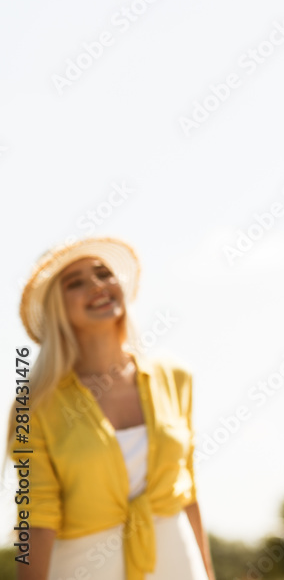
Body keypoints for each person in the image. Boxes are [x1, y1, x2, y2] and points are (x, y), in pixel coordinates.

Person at [8, 237, 213, 580]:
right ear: (57, 308)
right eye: (75, 283)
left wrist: (207, 572)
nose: (97, 286)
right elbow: (34, 517)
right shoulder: (34, 405)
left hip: (178, 562)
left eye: (104, 273)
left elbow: (187, 489)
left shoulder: (173, 376)